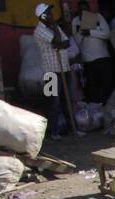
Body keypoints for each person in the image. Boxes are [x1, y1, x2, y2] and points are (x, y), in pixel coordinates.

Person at [34, 3, 75, 139]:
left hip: (64, 68)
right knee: (52, 102)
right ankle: (53, 132)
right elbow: (57, 41)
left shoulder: (54, 27)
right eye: (49, 13)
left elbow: (66, 42)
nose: (52, 15)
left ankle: (72, 128)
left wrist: (55, 28)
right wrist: (56, 31)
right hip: (50, 72)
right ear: (43, 16)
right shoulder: (39, 30)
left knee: (67, 100)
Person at [73, 1, 113, 106]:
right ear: (78, 11)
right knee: (93, 87)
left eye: (85, 9)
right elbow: (77, 41)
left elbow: (107, 34)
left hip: (103, 57)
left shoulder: (98, 17)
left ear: (89, 9)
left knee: (106, 84)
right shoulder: (75, 21)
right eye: (81, 10)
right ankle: (96, 109)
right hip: (89, 60)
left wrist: (91, 32)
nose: (83, 12)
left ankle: (107, 107)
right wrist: (83, 28)